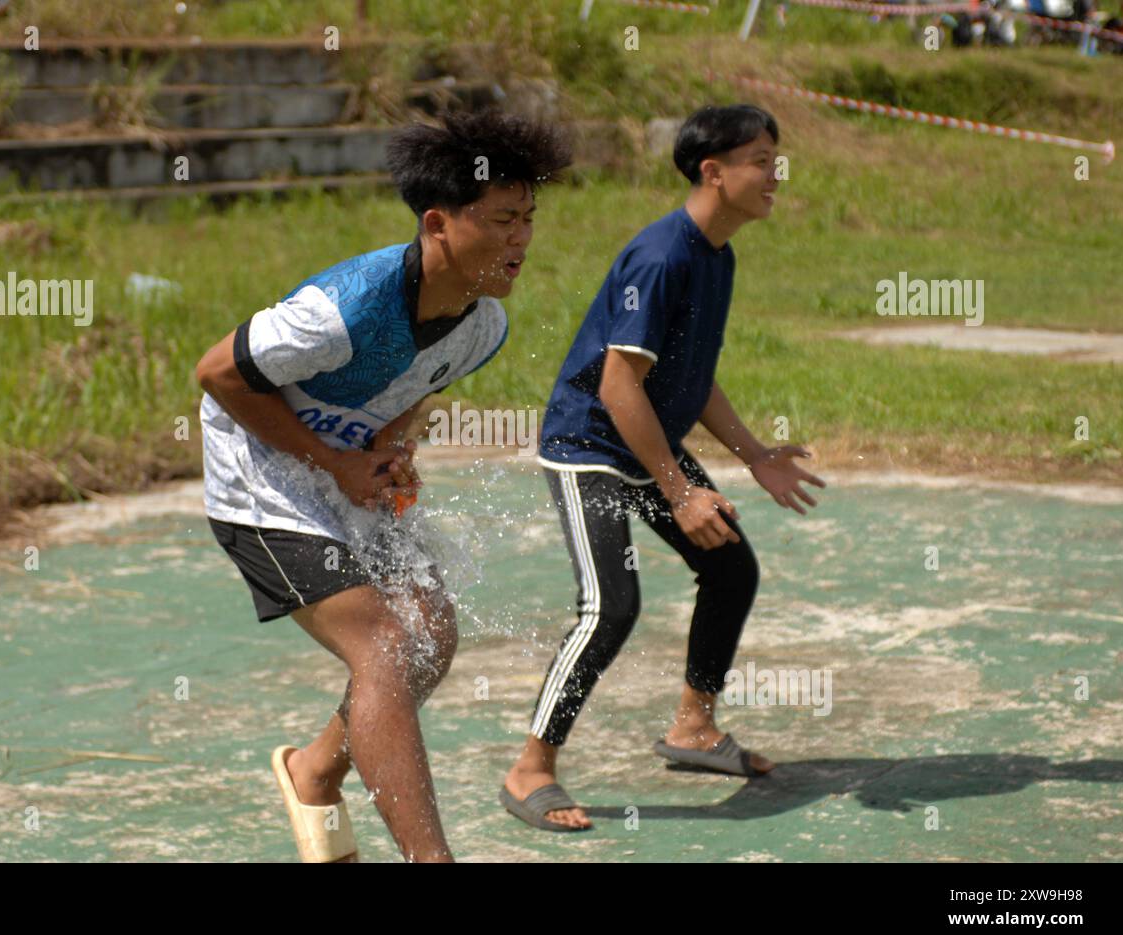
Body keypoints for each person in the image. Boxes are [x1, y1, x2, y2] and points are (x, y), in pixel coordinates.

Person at [195, 111, 571, 862]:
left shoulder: (482, 325)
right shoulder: (343, 310)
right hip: (260, 481)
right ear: (438, 223)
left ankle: (314, 770)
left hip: (337, 476)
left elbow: (413, 391)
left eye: (528, 218)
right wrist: (332, 461)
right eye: (502, 220)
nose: (521, 239)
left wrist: (392, 451)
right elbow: (217, 373)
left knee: (432, 632)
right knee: (388, 643)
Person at [501, 104, 826, 832]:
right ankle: (530, 768)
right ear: (713, 171)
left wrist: (756, 456)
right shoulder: (662, 255)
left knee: (731, 565)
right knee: (612, 605)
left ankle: (692, 728)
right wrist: (680, 491)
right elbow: (618, 387)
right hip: (590, 446)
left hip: (640, 439)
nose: (776, 174)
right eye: (762, 160)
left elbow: (693, 376)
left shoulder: (717, 255)